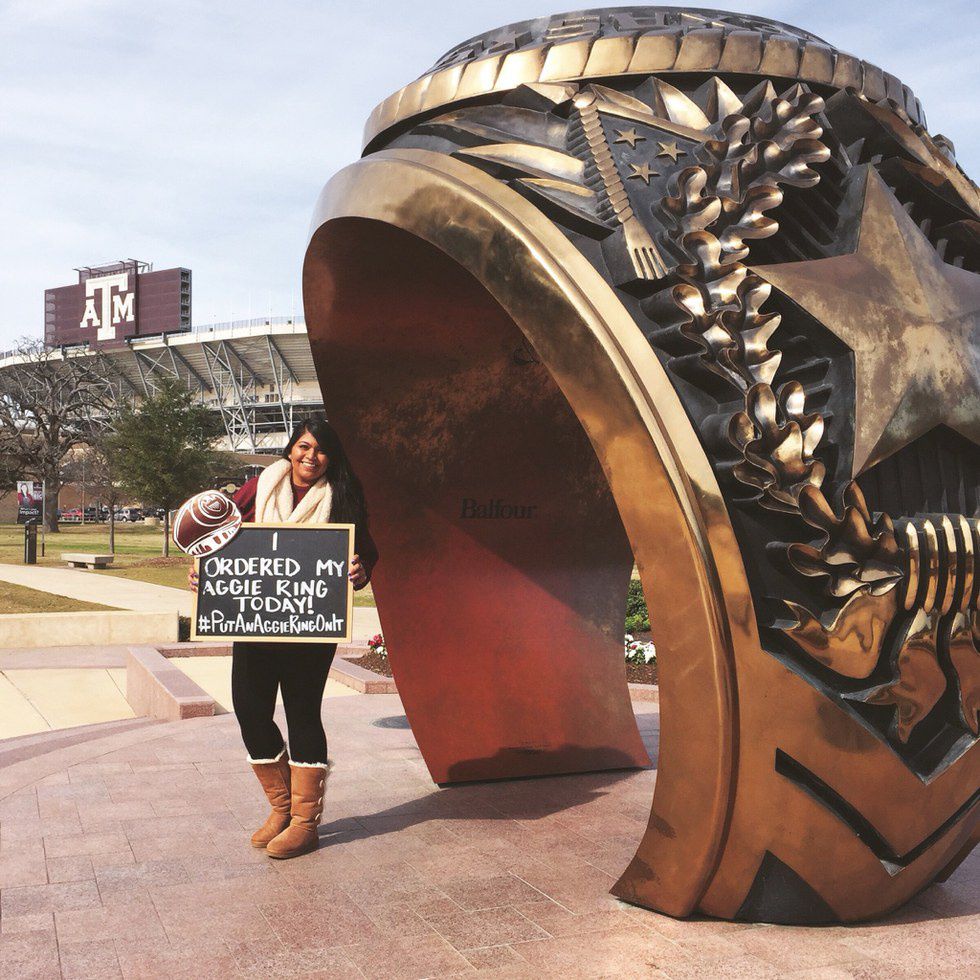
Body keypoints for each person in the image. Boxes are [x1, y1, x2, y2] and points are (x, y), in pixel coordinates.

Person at [189, 416, 377, 859]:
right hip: (255, 622)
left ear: (331, 457)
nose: (311, 457)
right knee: (250, 711)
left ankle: (305, 823)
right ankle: (281, 807)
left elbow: (364, 549)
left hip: (309, 629)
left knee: (303, 715)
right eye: (304, 447)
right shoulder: (258, 488)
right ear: (290, 448)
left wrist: (359, 569)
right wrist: (204, 569)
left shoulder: (344, 496)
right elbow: (218, 537)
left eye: (321, 450)